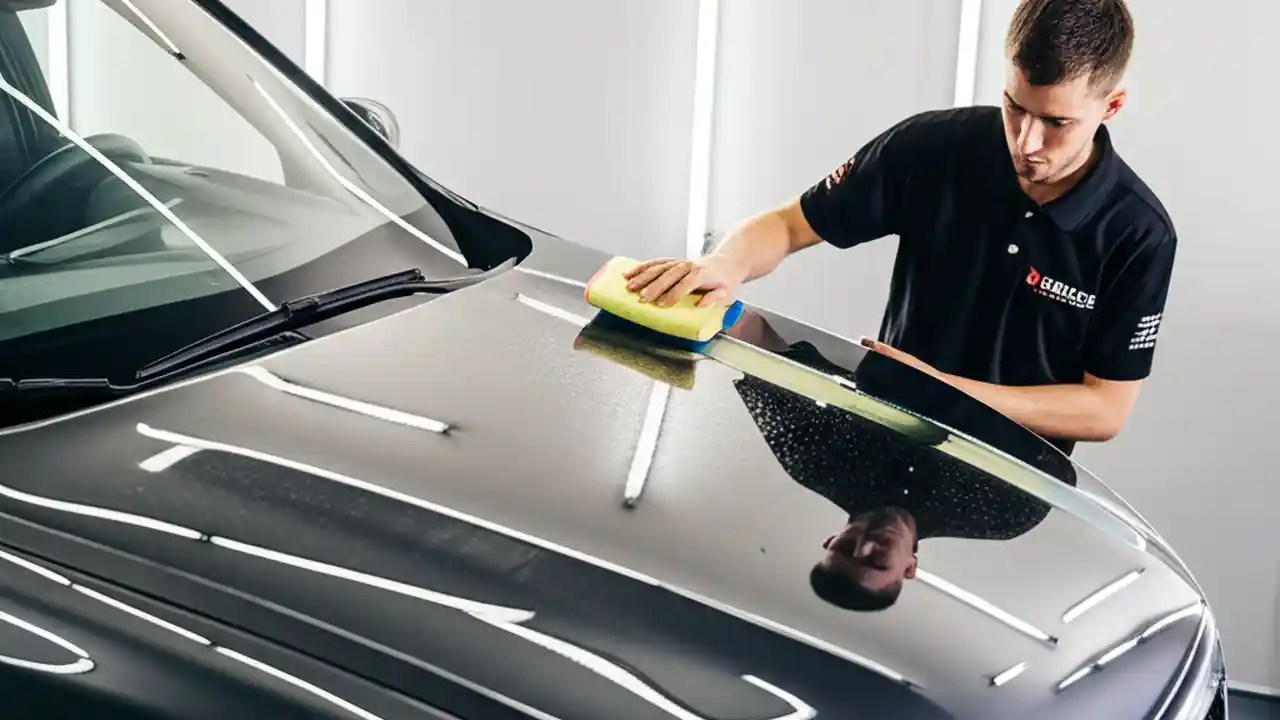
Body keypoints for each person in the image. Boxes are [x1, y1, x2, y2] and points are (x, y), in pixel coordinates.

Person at [624, 0, 1175, 455]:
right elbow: (790, 225)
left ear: (1113, 105)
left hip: (1017, 483)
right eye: (1014, 107)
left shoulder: (1138, 233)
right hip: (883, 431)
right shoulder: (932, 147)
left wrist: (945, 393)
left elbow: (1105, 408)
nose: (1025, 143)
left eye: (1056, 123)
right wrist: (724, 265)